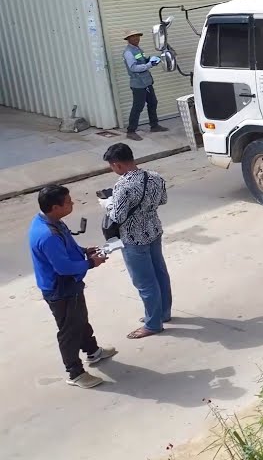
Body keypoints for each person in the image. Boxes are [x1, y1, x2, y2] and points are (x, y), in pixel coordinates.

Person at [30, 185, 117, 389]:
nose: (72, 203)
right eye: (68, 202)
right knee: (69, 330)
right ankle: (75, 373)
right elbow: (64, 268)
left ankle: (93, 351)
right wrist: (91, 263)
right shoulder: (48, 235)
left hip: (70, 285)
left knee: (80, 319)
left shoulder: (52, 221)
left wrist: (85, 251)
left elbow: (68, 245)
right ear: (55, 207)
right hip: (61, 289)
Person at [103, 143, 172, 339]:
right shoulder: (155, 177)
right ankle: (163, 313)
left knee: (144, 282)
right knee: (160, 275)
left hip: (134, 239)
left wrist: (106, 204)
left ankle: (153, 324)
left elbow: (116, 215)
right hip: (154, 231)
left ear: (117, 165)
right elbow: (163, 200)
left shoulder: (123, 186)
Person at [122, 31, 167, 142]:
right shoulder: (128, 52)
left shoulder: (138, 49)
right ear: (128, 39)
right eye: (134, 37)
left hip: (146, 82)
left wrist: (150, 60)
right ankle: (131, 131)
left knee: (153, 102)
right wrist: (149, 65)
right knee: (138, 107)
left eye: (138, 36)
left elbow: (141, 61)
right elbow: (133, 68)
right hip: (138, 84)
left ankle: (154, 126)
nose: (137, 38)